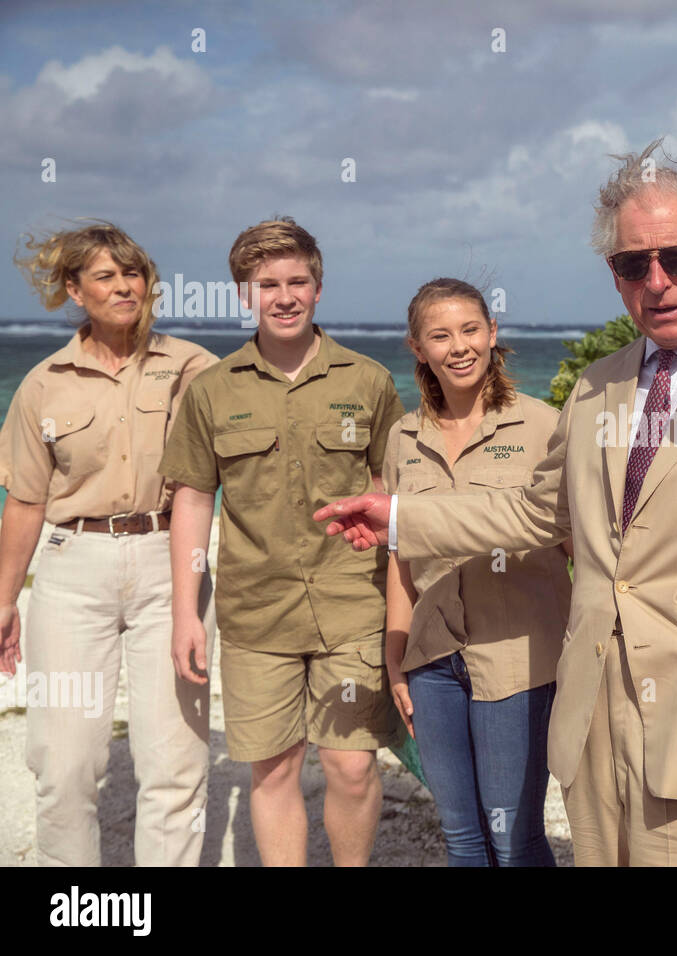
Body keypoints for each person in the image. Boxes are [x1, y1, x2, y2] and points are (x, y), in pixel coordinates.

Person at [318, 140, 677, 866]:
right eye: (631, 263)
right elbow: (532, 513)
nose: (657, 281)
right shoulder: (595, 387)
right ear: (613, 276)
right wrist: (398, 516)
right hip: (594, 730)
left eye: (676, 258)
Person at [160, 217, 404, 866]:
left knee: (350, 766)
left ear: (320, 288)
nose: (285, 295)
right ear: (245, 294)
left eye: (298, 280)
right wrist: (187, 610)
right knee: (272, 772)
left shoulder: (370, 382)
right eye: (267, 284)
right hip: (254, 612)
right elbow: (190, 497)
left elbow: (394, 490)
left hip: (352, 604)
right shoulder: (212, 391)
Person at [0, 222, 217, 866]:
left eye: (134, 274)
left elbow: (209, 482)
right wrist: (5, 601)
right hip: (71, 570)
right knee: (64, 765)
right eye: (104, 276)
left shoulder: (192, 368)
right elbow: (26, 502)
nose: (124, 287)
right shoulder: (43, 384)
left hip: (169, 561)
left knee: (175, 765)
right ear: (74, 289)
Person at [384, 277, 571, 866]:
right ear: (417, 348)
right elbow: (400, 556)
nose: (458, 346)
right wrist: (395, 658)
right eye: (440, 335)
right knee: (462, 838)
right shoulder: (401, 439)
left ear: (493, 335)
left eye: (470, 330)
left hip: (519, 658)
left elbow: (577, 548)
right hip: (433, 660)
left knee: (515, 840)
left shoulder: (544, 426)